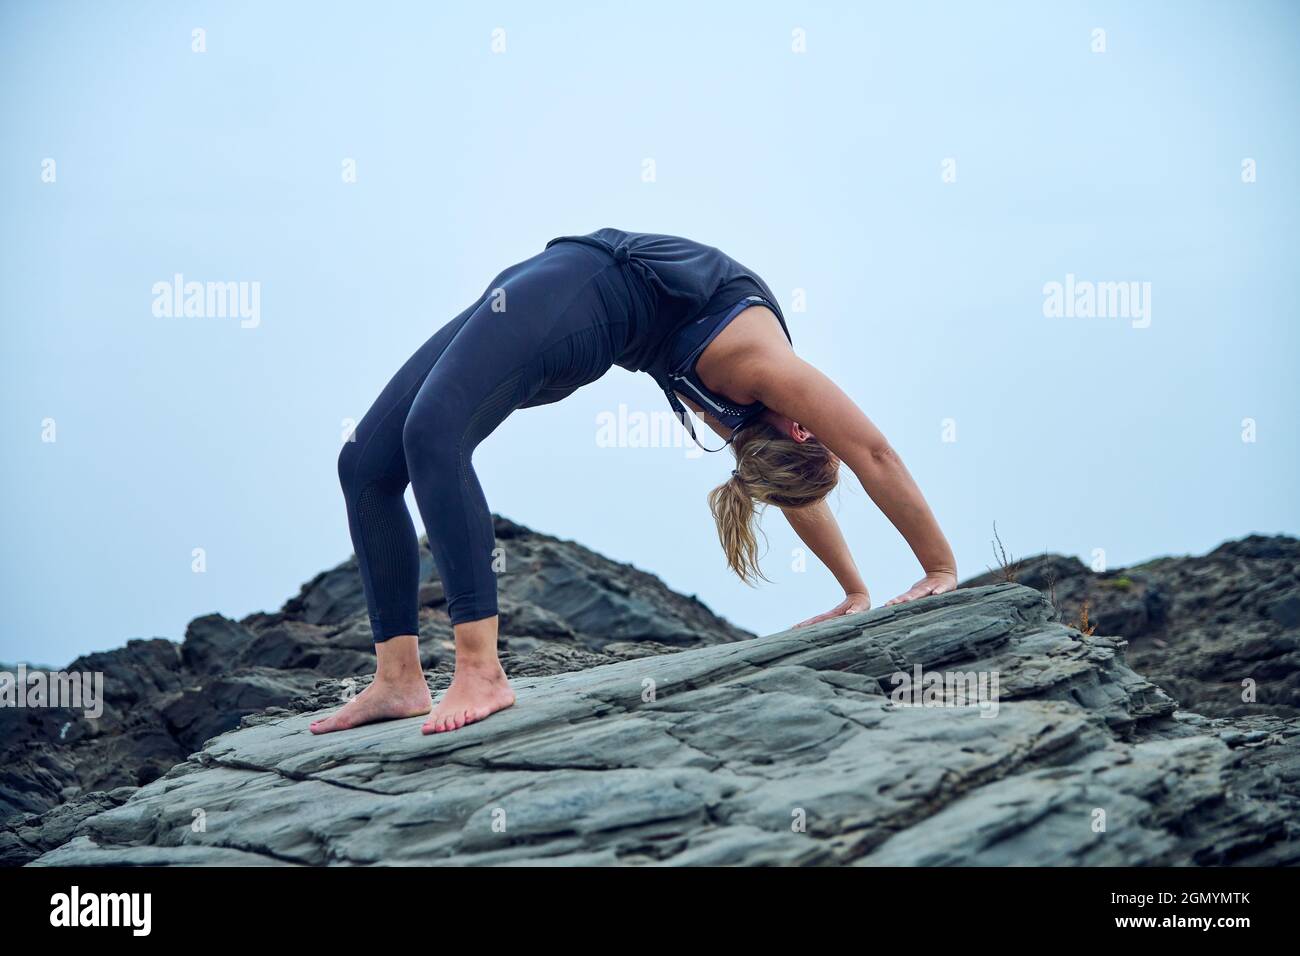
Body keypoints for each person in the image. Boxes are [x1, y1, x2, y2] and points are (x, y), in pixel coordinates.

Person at [312, 228, 957, 736]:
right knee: (365, 463)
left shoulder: (762, 390)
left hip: (576, 298)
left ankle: (480, 670)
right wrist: (890, 579)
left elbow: (835, 468)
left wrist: (905, 579)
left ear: (792, 437)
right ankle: (399, 679)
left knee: (432, 434)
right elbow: (835, 470)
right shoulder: (764, 390)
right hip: (552, 283)